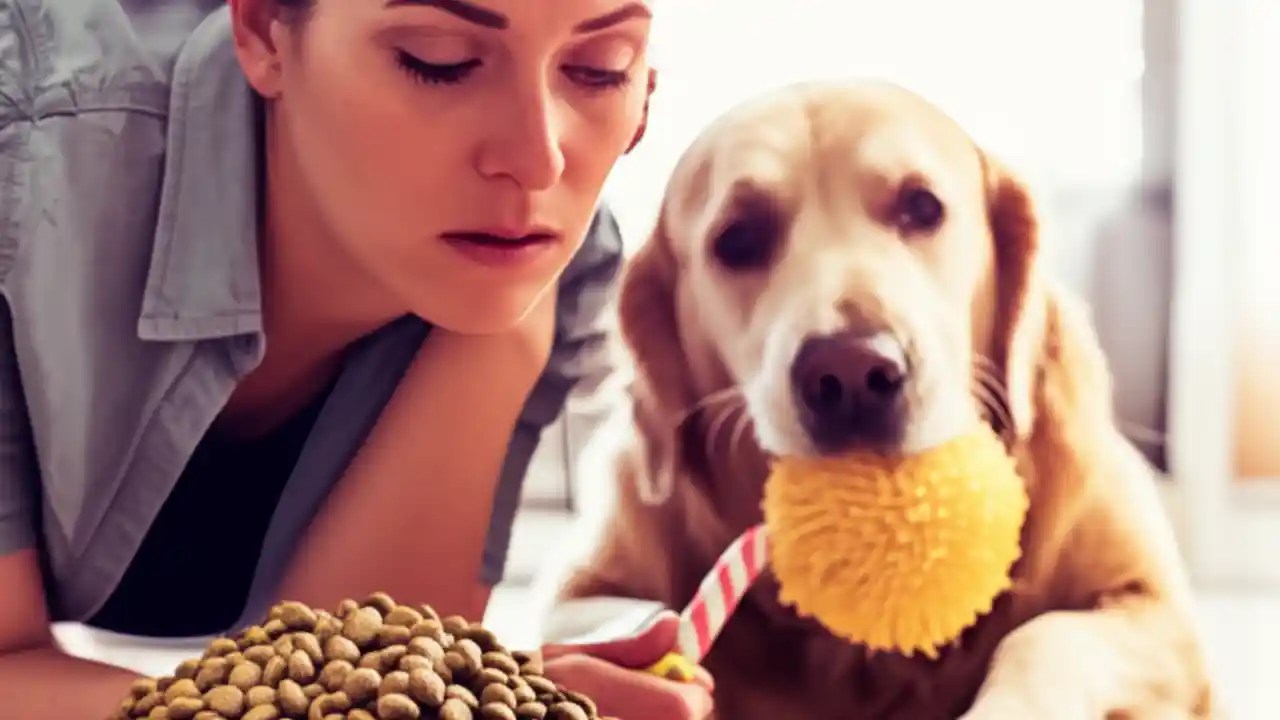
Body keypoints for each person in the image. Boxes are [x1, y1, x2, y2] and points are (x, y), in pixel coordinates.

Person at [0, 0, 713, 716]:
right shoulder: (25, 155)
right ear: (260, 29)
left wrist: (506, 696)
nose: (538, 161)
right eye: (437, 60)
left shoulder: (555, 274)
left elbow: (354, 682)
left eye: (600, 70)